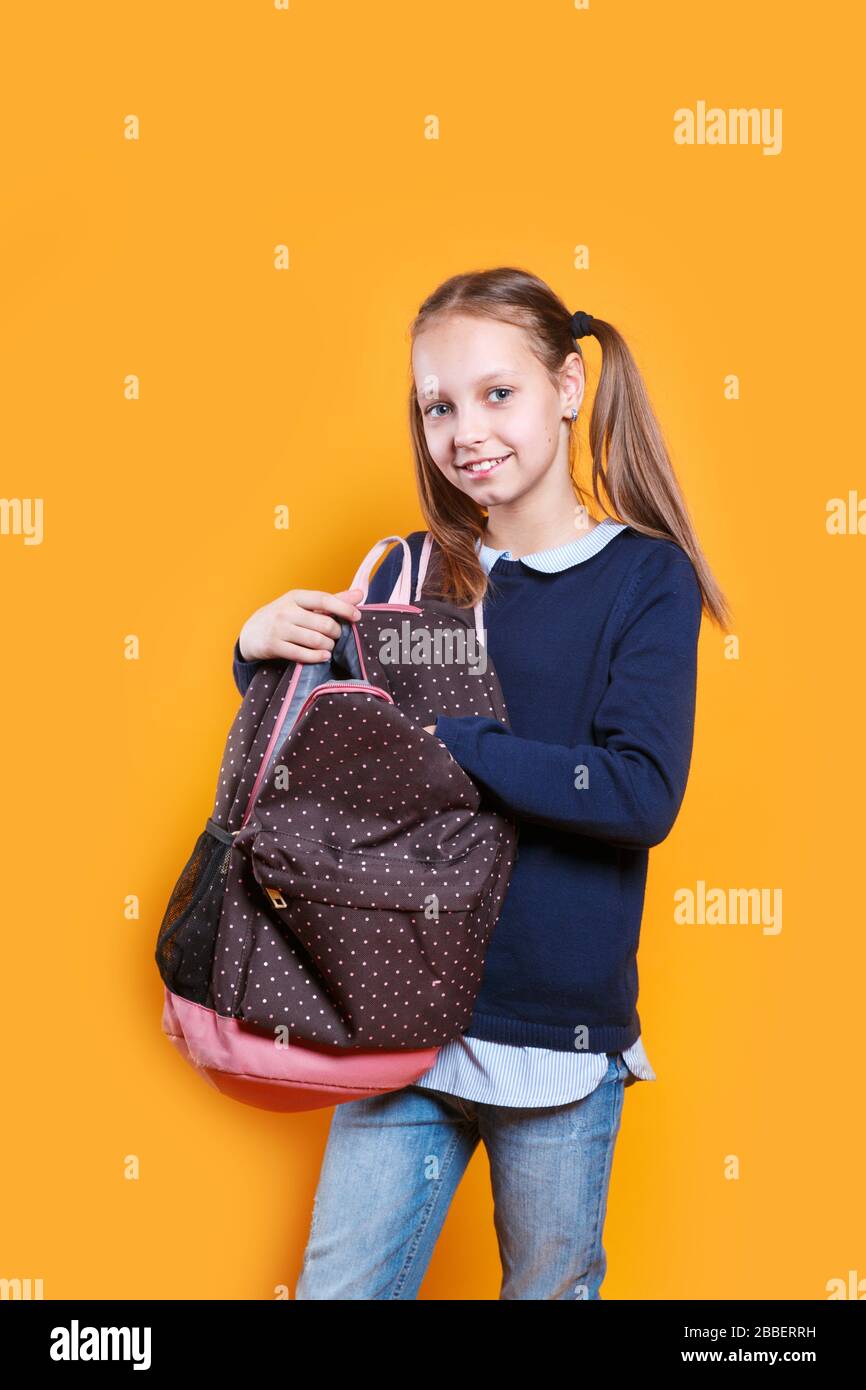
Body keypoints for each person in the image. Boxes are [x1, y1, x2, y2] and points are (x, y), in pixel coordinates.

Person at [231, 266, 732, 1299]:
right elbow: (319, 761)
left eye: (495, 393)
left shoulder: (643, 578)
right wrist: (258, 651)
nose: (465, 430)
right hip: (400, 1019)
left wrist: (453, 743)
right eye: (437, 406)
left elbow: (638, 794)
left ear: (564, 386)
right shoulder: (408, 573)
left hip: (557, 1039)